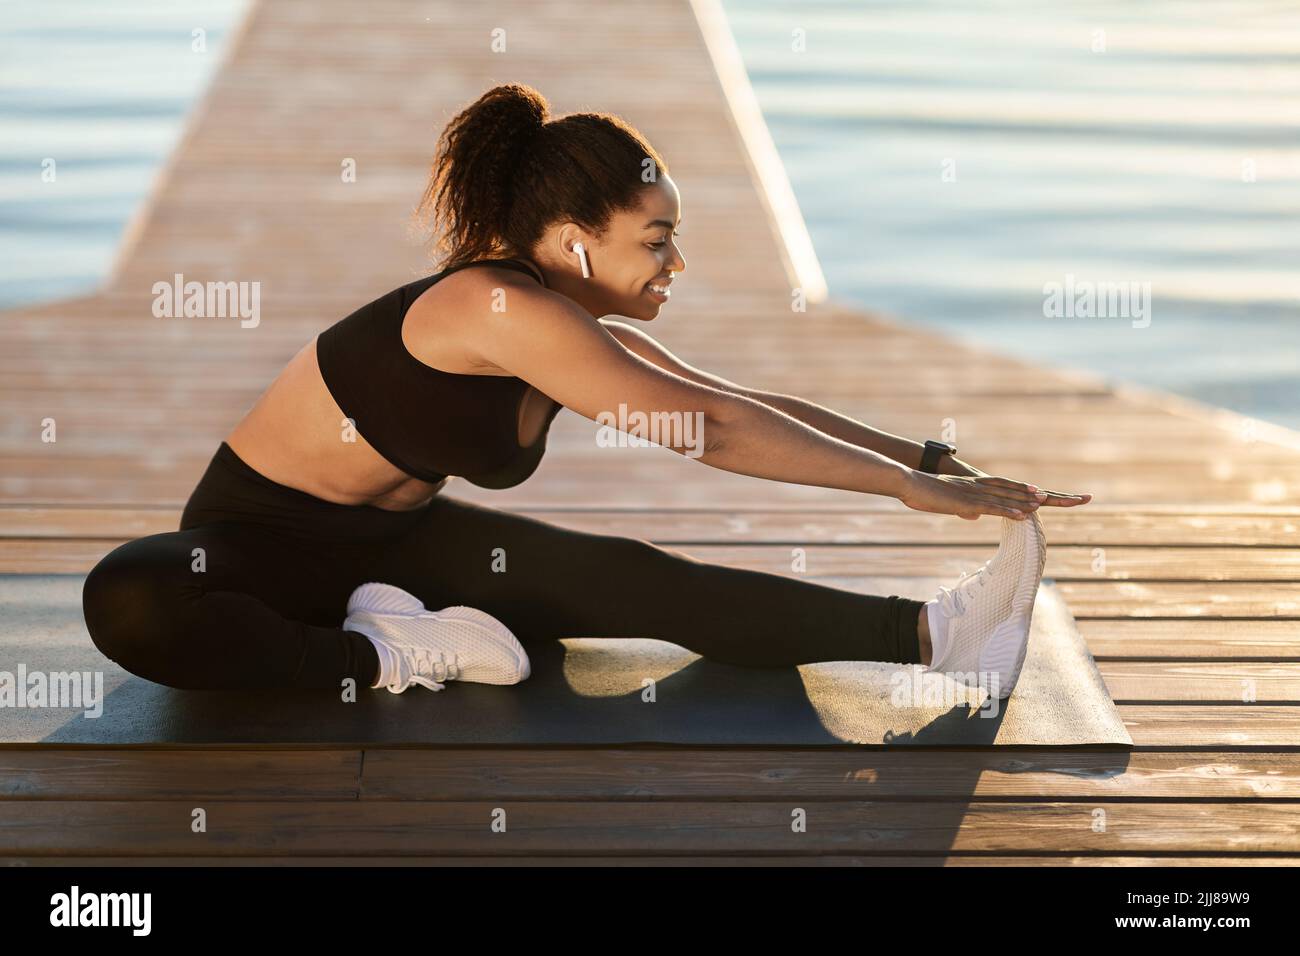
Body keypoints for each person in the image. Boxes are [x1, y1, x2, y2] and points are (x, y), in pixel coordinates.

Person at [81, 83, 1091, 700]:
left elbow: (735, 400)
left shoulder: (563, 321)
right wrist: (906, 492)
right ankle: (381, 655)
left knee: (637, 580)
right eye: (655, 239)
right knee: (129, 596)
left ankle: (937, 636)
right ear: (573, 239)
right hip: (252, 549)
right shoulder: (492, 306)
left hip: (391, 546)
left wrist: (920, 458)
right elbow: (713, 433)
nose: (676, 262)